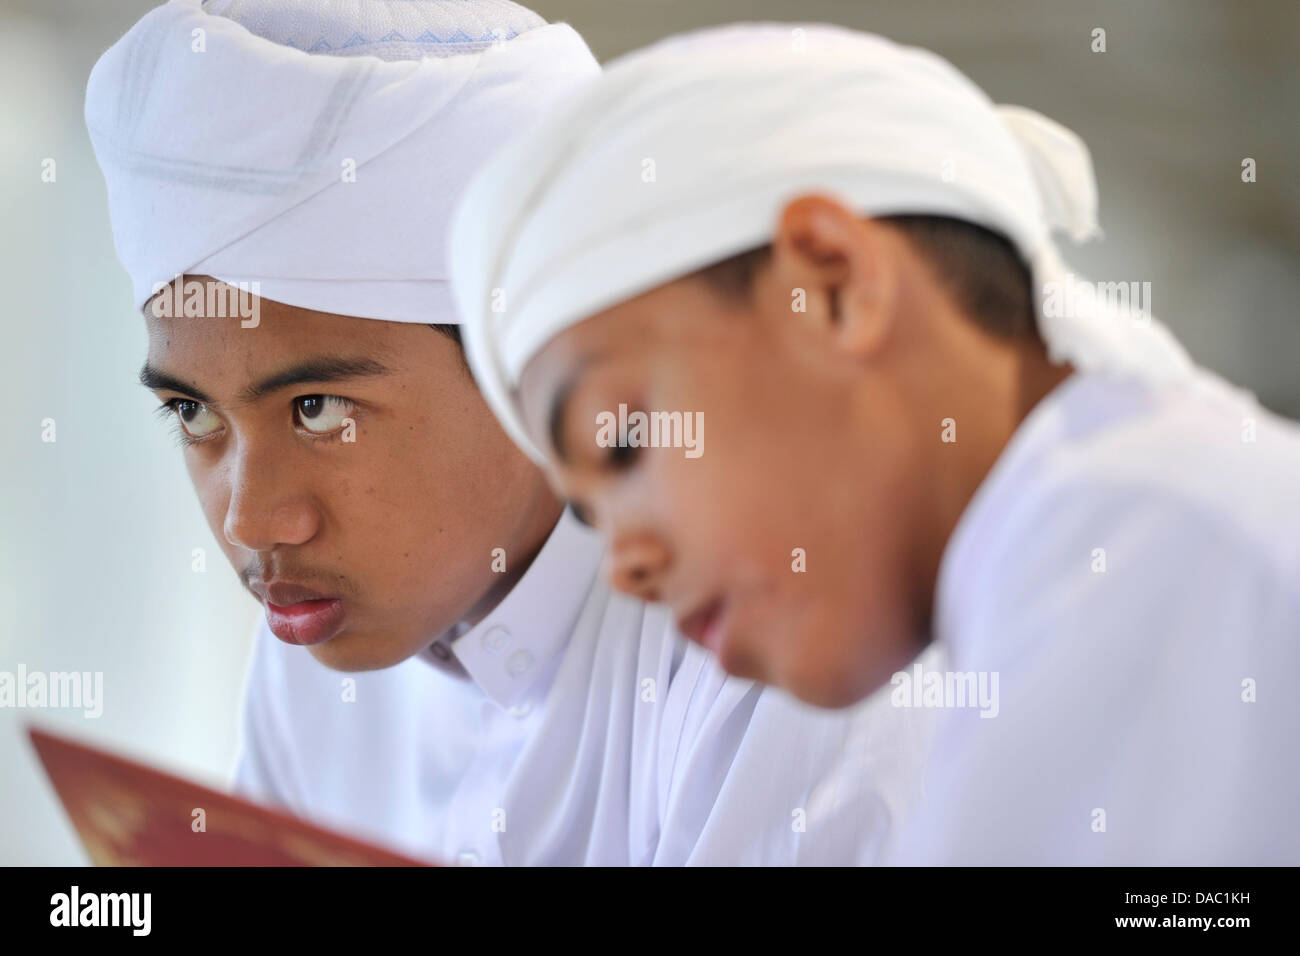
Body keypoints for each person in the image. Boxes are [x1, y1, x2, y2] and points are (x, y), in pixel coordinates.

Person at [84, 1, 934, 865]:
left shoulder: (781, 646)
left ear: (530, 363)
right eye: (194, 414)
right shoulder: (317, 645)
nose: (253, 522)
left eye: (318, 410)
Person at [448, 22, 1300, 864]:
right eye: (589, 515)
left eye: (627, 442)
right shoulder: (1074, 560)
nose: (624, 567)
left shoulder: (1143, 536)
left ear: (833, 285)